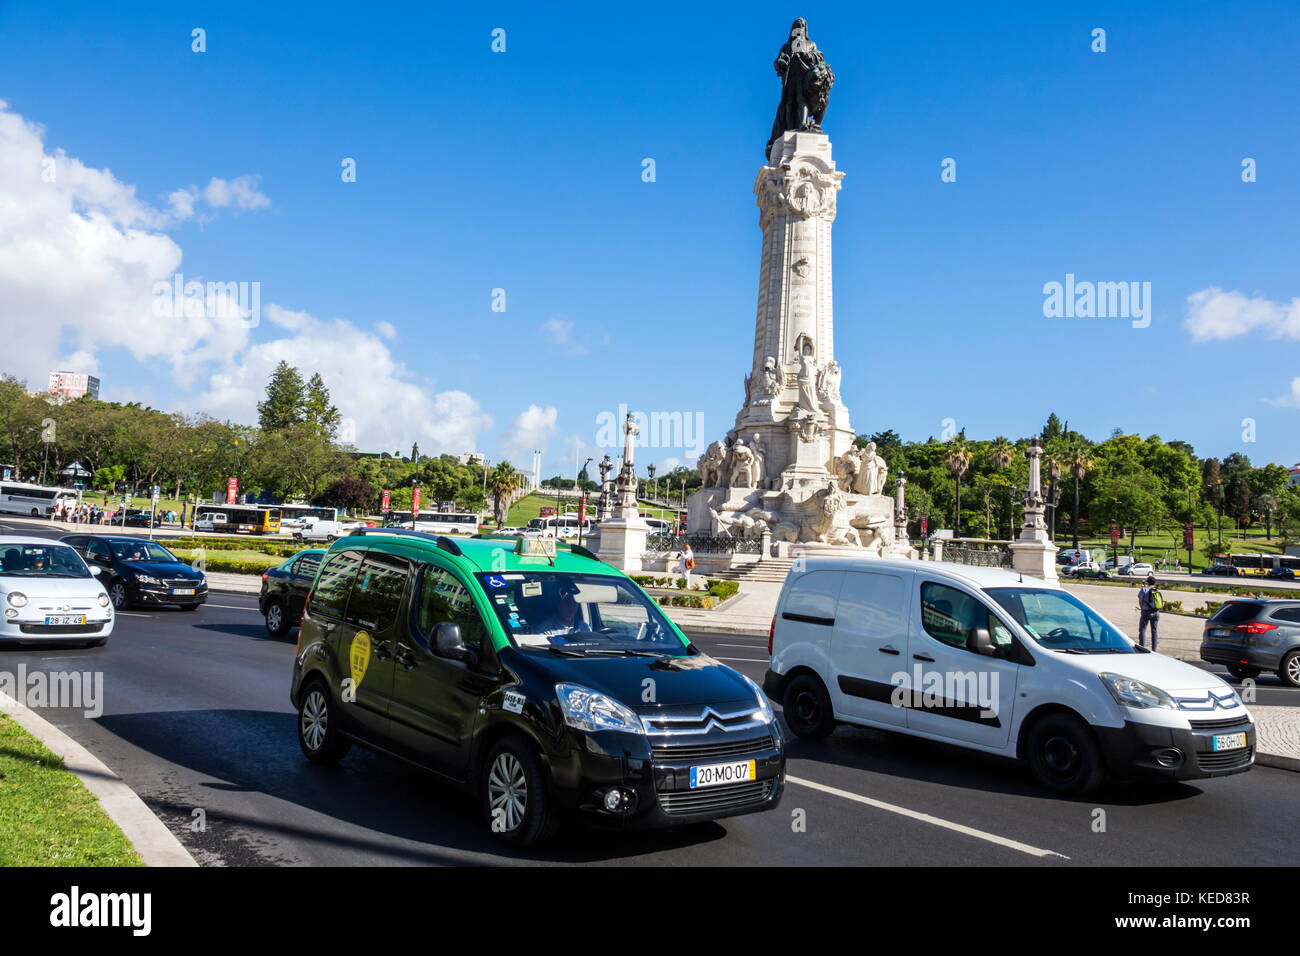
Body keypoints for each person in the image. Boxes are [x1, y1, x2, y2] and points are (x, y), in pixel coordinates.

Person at [1137, 574, 1160, 651]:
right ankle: (1154, 649)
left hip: (1146, 612)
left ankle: (1142, 648)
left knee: (1142, 630)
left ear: (1147, 582)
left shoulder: (1144, 589)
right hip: (1156, 612)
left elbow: (1140, 600)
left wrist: (1141, 609)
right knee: (1154, 631)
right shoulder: (1156, 590)